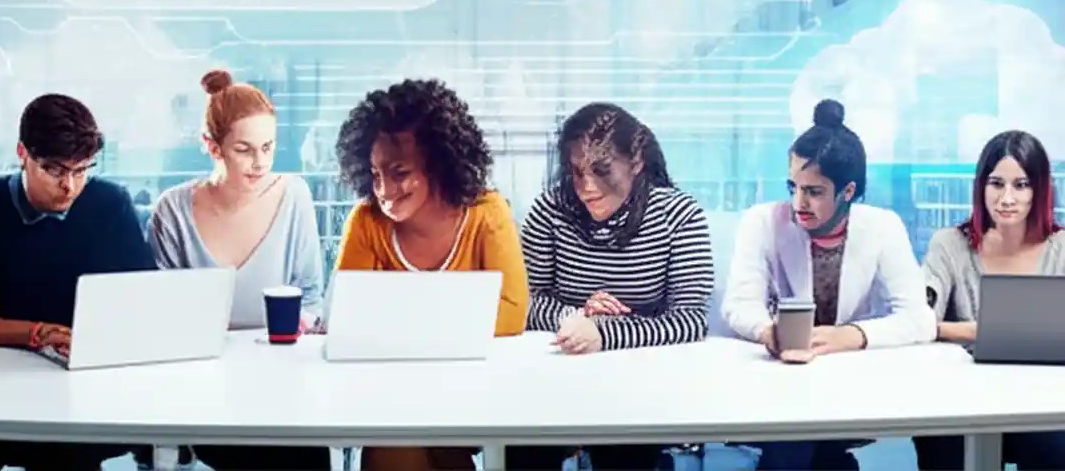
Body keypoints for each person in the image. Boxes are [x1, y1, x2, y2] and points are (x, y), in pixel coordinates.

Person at [0, 94, 155, 471]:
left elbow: (142, 298)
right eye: (54, 170)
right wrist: (38, 333)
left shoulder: (109, 203)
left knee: (74, 451)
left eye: (82, 169)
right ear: (22, 153)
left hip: (77, 387)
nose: (69, 186)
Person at [720, 99, 934, 471]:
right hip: (778, 385)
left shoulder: (882, 227)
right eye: (793, 186)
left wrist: (848, 336)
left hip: (845, 386)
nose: (798, 202)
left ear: (847, 191)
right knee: (799, 447)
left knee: (803, 451)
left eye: (814, 191)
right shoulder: (762, 222)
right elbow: (738, 305)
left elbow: (919, 320)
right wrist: (767, 331)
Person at [331, 78, 528, 471]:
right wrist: (454, 319)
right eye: (374, 173)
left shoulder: (487, 213)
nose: (384, 190)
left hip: (470, 389)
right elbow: (346, 318)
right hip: (388, 393)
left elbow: (512, 314)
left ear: (438, 163)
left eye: (399, 172)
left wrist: (394, 322)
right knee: (399, 434)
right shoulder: (366, 222)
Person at [506, 103, 712, 471]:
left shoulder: (680, 216)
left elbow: (691, 320)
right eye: (576, 172)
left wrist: (603, 332)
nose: (587, 187)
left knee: (626, 454)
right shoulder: (547, 212)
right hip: (554, 375)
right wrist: (578, 317)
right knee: (523, 452)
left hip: (641, 383)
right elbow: (524, 304)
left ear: (635, 163)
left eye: (602, 171)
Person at [145, 69, 328, 471]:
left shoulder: (294, 196)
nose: (260, 162)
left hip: (282, 381)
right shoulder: (172, 212)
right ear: (212, 147)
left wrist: (302, 324)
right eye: (244, 149)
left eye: (268, 146)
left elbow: (312, 297)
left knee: (302, 451)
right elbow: (161, 315)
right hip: (203, 388)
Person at [914, 130, 1065, 470]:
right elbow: (919, 320)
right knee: (941, 442)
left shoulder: (1061, 248)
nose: (1006, 198)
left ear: (1039, 190)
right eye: (997, 183)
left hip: (1043, 401)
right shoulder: (949, 244)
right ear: (981, 186)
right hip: (963, 397)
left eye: (1021, 185)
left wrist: (971, 331)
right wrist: (978, 332)